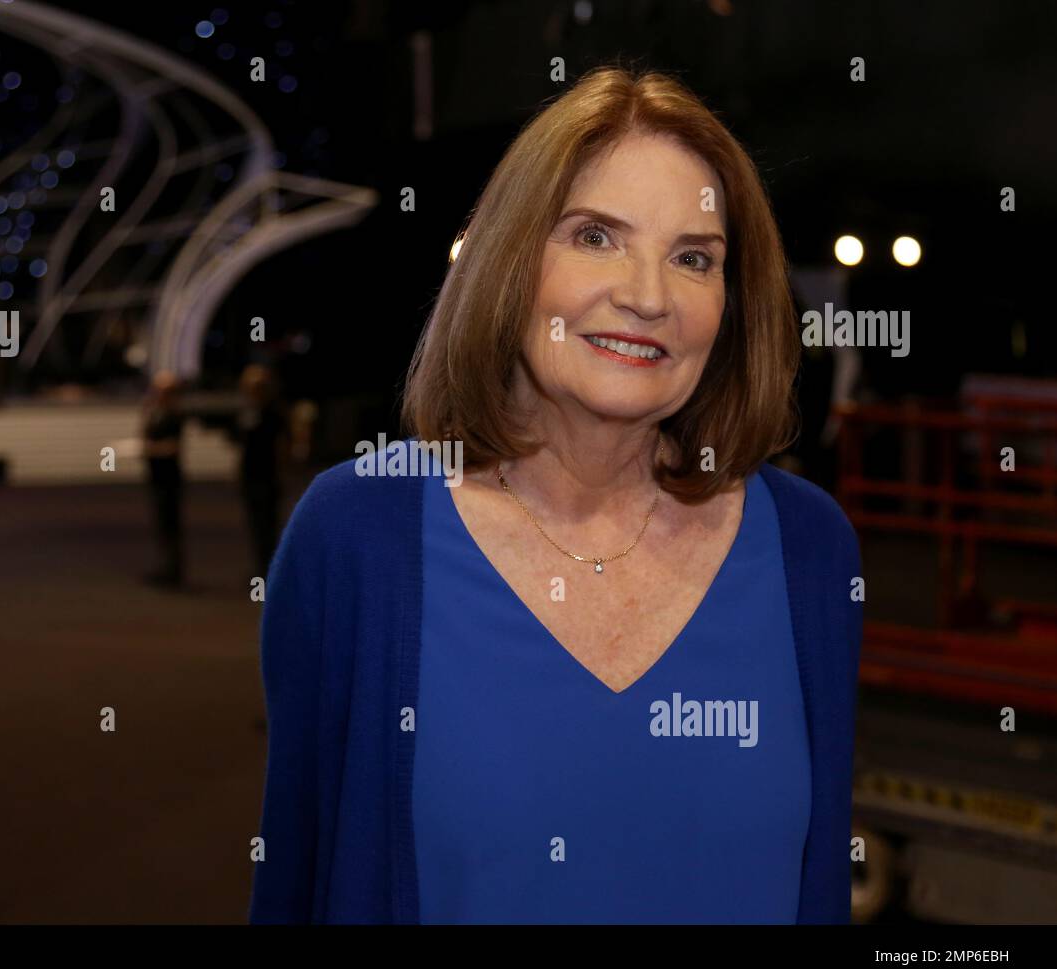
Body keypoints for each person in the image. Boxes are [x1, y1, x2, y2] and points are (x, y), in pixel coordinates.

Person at [249, 66, 863, 925]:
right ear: (509, 260)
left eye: (693, 258)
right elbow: (297, 885)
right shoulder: (360, 536)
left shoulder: (809, 548)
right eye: (596, 237)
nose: (648, 297)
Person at [234, 363, 288, 580]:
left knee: (268, 526)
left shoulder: (274, 413)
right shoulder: (248, 412)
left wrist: (281, 473)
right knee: (256, 525)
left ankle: (271, 572)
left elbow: (281, 447)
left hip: (268, 476)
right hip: (250, 474)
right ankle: (261, 569)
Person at [140, 371, 185, 588]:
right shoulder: (155, 413)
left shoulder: (175, 415)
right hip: (156, 476)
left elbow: (173, 446)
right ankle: (165, 566)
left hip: (170, 477)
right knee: (162, 523)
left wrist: (151, 449)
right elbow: (146, 434)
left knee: (171, 523)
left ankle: (174, 569)